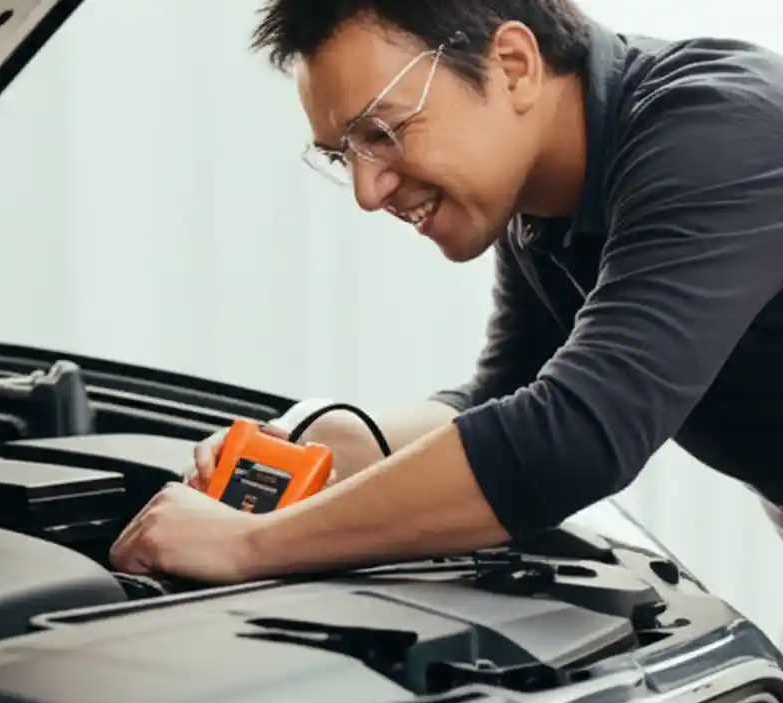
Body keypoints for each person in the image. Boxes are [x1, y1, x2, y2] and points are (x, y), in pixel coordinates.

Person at [109, 0, 783, 583]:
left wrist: (248, 546)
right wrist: (328, 442)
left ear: (513, 65)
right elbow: (507, 394)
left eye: (384, 132)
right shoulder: (540, 204)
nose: (366, 192)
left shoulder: (718, 134)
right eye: (344, 154)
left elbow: (574, 438)